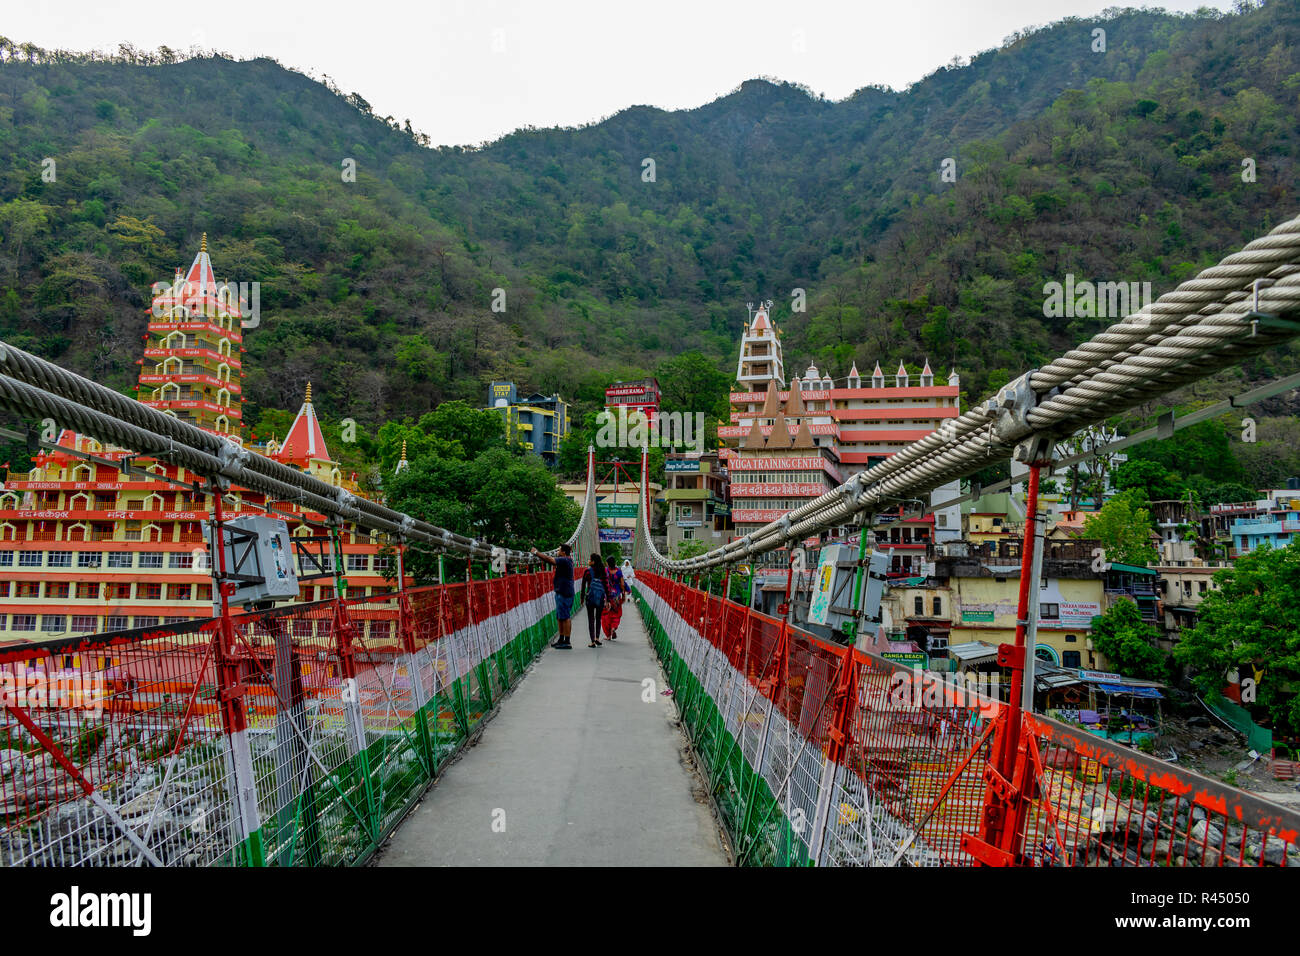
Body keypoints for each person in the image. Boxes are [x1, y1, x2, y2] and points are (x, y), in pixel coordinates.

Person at [530, 543, 575, 649]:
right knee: (560, 617)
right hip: (562, 591)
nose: (557, 551)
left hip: (564, 592)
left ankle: (567, 641)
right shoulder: (567, 560)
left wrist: (536, 552)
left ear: (563, 552)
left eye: (559, 550)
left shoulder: (565, 560)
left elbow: (549, 560)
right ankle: (561, 639)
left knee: (566, 617)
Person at [579, 553, 608, 648]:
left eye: (589, 559)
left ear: (593, 561)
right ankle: (597, 638)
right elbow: (606, 585)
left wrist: (582, 598)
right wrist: (607, 599)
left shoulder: (587, 571)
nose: (588, 561)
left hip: (590, 598)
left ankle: (592, 641)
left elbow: (583, 586)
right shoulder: (603, 571)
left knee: (591, 619)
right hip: (600, 598)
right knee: (598, 618)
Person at [601, 554, 630, 641]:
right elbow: (622, 584)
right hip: (616, 596)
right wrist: (624, 595)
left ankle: (608, 635)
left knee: (606, 614)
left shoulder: (605, 570)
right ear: (615, 563)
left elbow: (602, 582)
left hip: (607, 595)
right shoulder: (619, 572)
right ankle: (613, 627)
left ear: (607, 563)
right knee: (616, 613)